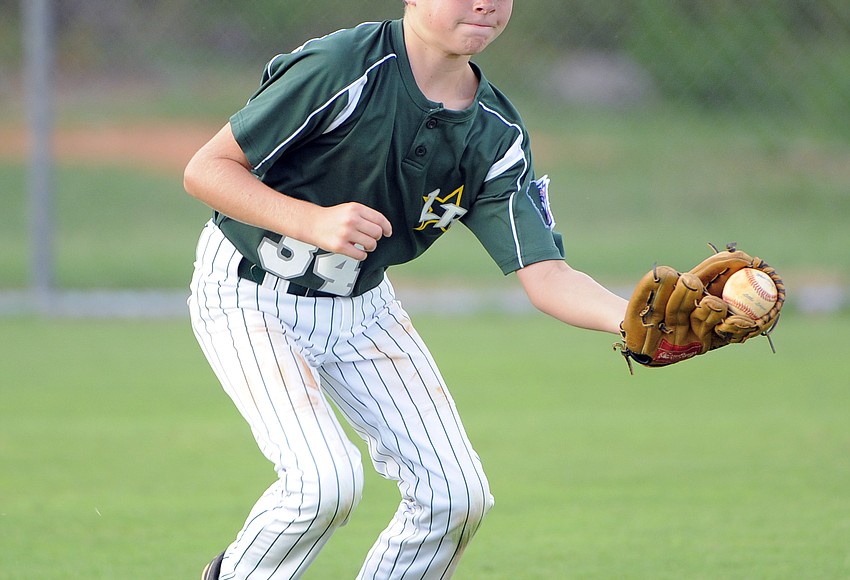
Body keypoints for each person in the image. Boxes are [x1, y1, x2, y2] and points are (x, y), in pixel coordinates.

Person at [184, 0, 627, 578]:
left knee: (456, 497)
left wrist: (638, 319)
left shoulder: (495, 135)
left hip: (363, 310)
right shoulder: (343, 66)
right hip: (250, 291)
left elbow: (547, 275)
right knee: (323, 483)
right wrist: (310, 220)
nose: (485, 3)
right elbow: (207, 169)